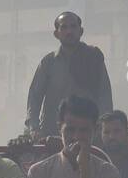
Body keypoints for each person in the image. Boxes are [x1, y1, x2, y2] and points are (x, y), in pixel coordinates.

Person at [25, 11, 114, 139]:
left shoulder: (93, 57)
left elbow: (104, 94)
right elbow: (35, 97)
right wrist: (34, 128)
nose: (69, 31)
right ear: (56, 34)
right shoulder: (48, 62)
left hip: (88, 134)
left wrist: (104, 127)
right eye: (64, 27)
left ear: (81, 31)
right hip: (53, 135)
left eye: (73, 27)